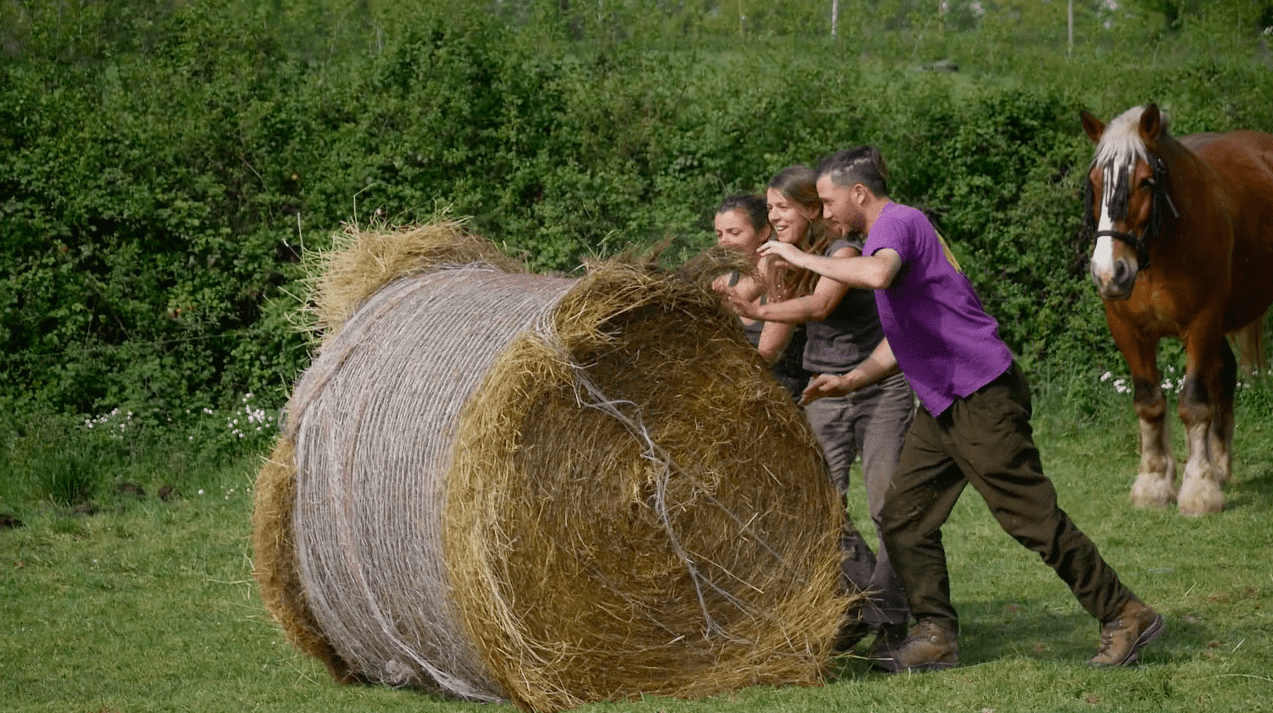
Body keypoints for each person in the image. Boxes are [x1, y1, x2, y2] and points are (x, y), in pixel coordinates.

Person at [758, 146, 1164, 672]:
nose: (826, 211)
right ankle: (936, 635)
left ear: (859, 194)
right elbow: (905, 335)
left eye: (830, 200)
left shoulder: (896, 224)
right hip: (942, 401)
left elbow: (878, 275)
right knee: (903, 518)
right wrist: (854, 379)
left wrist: (795, 257)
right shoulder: (886, 234)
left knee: (1031, 519)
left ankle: (1126, 612)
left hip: (981, 394)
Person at [722, 167, 915, 653]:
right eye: (769, 209)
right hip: (823, 389)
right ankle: (861, 608)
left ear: (811, 210)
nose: (774, 217)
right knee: (821, 508)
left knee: (884, 508)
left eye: (782, 208)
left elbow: (819, 306)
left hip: (877, 385)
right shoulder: (786, 257)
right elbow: (738, 296)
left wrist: (763, 309)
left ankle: (894, 620)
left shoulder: (841, 251)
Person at [712, 194, 810, 401]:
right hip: (736, 389)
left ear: (764, 232)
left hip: (782, 396)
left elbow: (767, 353)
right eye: (719, 234)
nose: (724, 242)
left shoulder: (783, 277)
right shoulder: (722, 283)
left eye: (734, 232)